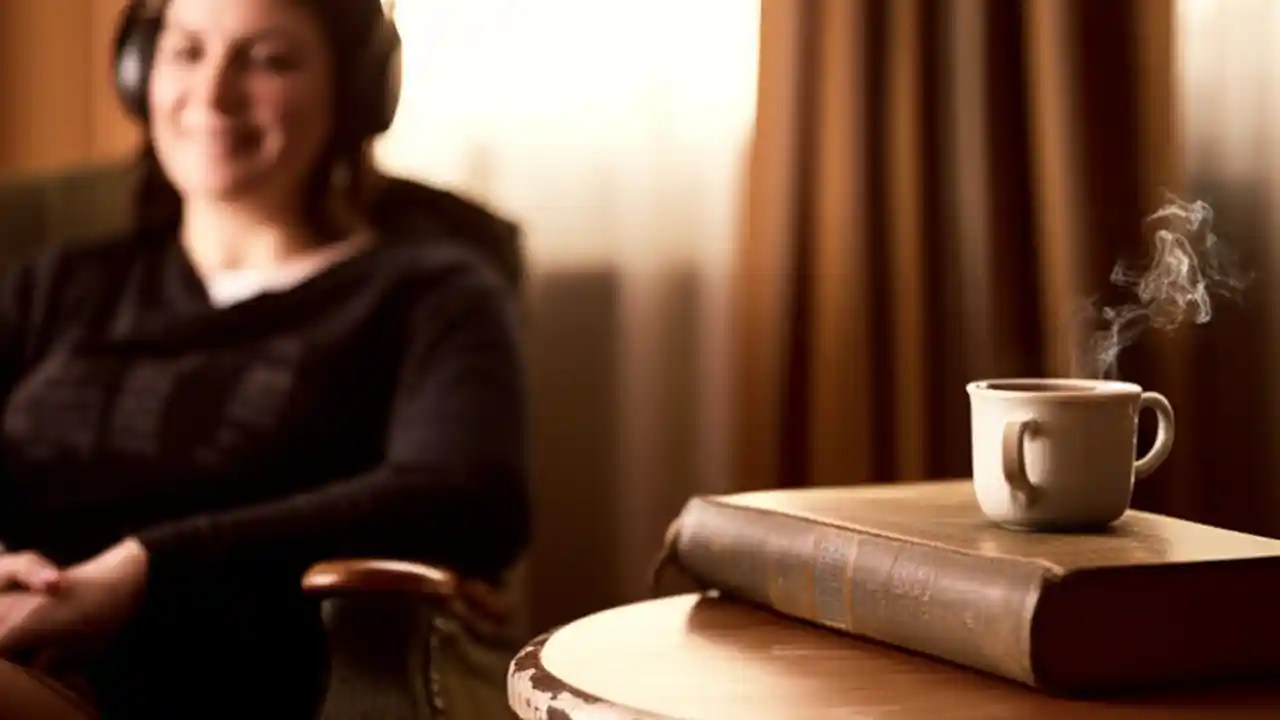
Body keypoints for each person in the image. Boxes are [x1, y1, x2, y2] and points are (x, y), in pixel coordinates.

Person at [0, 0, 530, 717]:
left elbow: (468, 496)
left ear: (353, 90)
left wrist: (146, 573)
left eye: (268, 59)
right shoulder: (58, 287)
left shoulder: (431, 295)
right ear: (138, 73)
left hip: (208, 682)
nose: (213, 96)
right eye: (187, 52)